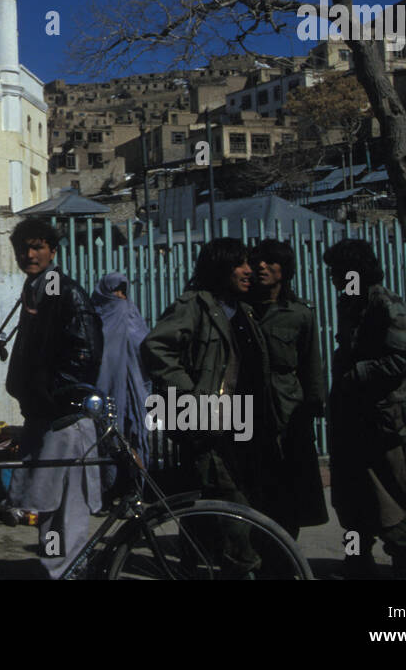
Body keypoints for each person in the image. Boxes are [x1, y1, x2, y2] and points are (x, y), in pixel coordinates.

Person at [140, 238, 269, 576]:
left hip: (243, 425)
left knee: (215, 508)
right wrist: (193, 395)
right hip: (209, 427)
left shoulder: (244, 308)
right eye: (239, 264)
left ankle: (200, 566)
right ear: (221, 268)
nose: (248, 270)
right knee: (230, 511)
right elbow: (156, 348)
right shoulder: (194, 306)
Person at [5, 217, 103, 579]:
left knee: (69, 512)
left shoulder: (66, 292)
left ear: (52, 251)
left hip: (66, 420)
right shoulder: (36, 290)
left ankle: (68, 573)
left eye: (37, 247)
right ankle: (54, 571)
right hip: (44, 418)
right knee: (46, 510)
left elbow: (87, 353)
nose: (29, 255)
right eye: (23, 249)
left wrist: (52, 393)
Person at [323, 238, 406, 580]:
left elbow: (403, 359)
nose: (334, 279)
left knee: (390, 496)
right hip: (350, 416)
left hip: (380, 419)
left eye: (339, 272)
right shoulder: (349, 304)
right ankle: (357, 560)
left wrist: (359, 373)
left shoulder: (385, 304)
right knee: (350, 500)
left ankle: (403, 560)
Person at [245, 240, 328, 538]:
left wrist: (312, 408)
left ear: (285, 269)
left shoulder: (299, 314)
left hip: (288, 412)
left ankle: (285, 553)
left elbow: (310, 365)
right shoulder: (240, 310)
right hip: (248, 413)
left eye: (270, 261)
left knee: (289, 489)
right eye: (257, 261)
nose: (262, 267)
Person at [90, 272, 152, 474]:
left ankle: (133, 493)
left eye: (123, 291)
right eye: (114, 291)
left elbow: (146, 352)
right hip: (103, 394)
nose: (120, 297)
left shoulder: (132, 316)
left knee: (133, 440)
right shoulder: (93, 321)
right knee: (105, 442)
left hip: (134, 394)